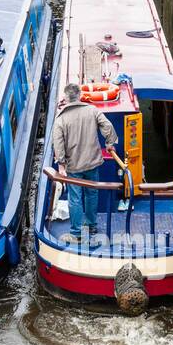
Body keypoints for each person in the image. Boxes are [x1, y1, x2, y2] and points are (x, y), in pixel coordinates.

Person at [52, 83, 117, 244]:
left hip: (74, 166)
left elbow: (58, 144)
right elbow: (108, 127)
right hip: (93, 162)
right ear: (80, 95)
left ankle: (76, 233)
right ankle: (92, 225)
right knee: (91, 194)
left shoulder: (61, 119)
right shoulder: (92, 111)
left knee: (75, 198)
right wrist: (109, 144)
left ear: (66, 98)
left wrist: (61, 164)